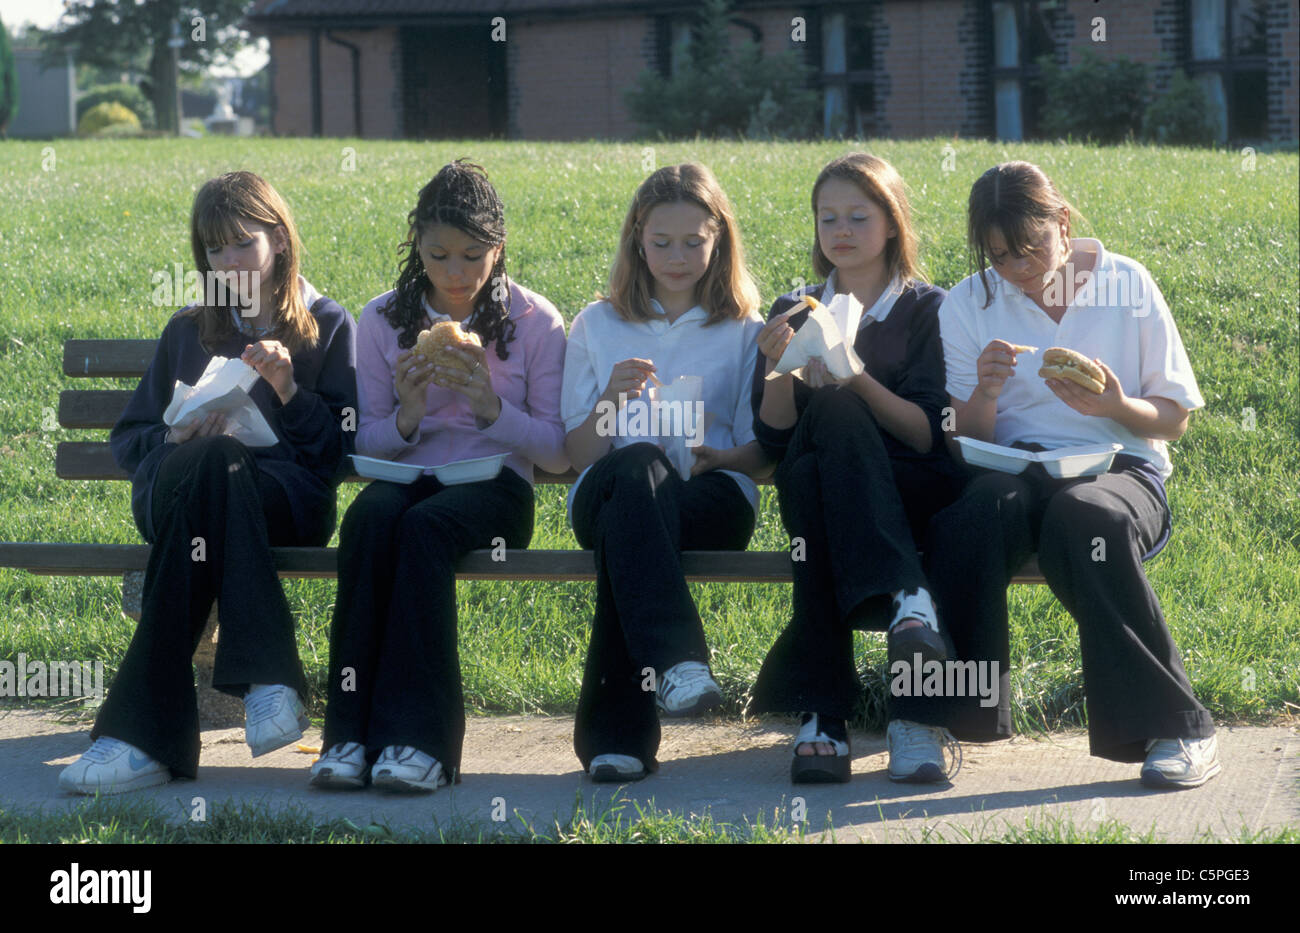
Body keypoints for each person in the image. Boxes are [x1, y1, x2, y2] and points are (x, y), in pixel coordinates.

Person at [60, 171, 357, 794]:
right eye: (213, 249)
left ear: (278, 239)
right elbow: (128, 440)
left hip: (282, 502)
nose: (228, 261)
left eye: (241, 243)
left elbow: (335, 453)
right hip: (176, 492)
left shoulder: (325, 325)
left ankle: (141, 740)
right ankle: (268, 679)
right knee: (211, 460)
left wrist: (287, 390)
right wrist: (174, 437)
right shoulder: (189, 329)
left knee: (220, 469)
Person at [925, 160, 1218, 789]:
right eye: (1000, 256)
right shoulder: (967, 302)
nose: (1017, 270)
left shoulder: (1127, 283)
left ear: (1062, 222)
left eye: (1029, 249)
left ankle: (1178, 728)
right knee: (972, 516)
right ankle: (943, 715)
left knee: (1085, 514)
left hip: (1121, 467)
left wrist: (1113, 407)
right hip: (1017, 468)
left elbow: (1172, 421)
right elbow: (964, 439)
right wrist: (984, 391)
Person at [312, 160, 567, 793]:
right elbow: (364, 441)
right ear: (416, 247)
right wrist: (409, 416)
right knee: (368, 520)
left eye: (474, 257)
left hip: (495, 487)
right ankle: (347, 735)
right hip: (404, 477)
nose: (456, 275)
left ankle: (419, 742)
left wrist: (490, 409)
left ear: (498, 249)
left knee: (425, 530)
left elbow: (558, 452)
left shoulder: (535, 322)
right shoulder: (381, 321)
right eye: (438, 255)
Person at [747, 153, 966, 784]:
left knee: (818, 491)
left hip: (909, 486)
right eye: (827, 218)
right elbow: (773, 435)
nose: (840, 230)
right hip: (821, 479)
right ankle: (910, 607)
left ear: (893, 223)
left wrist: (853, 374)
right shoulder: (797, 305)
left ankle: (825, 718)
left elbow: (928, 433)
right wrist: (778, 368)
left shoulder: (927, 308)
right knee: (816, 471)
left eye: (858, 216)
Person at [561, 163, 767, 782]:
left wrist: (723, 457)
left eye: (693, 242)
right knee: (637, 472)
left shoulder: (744, 329)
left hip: (710, 497)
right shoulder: (597, 324)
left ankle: (615, 740)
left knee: (636, 533)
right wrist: (610, 405)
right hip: (609, 490)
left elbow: (761, 451)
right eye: (661, 241)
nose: (677, 256)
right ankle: (677, 659)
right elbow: (577, 453)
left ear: (718, 241)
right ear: (637, 241)